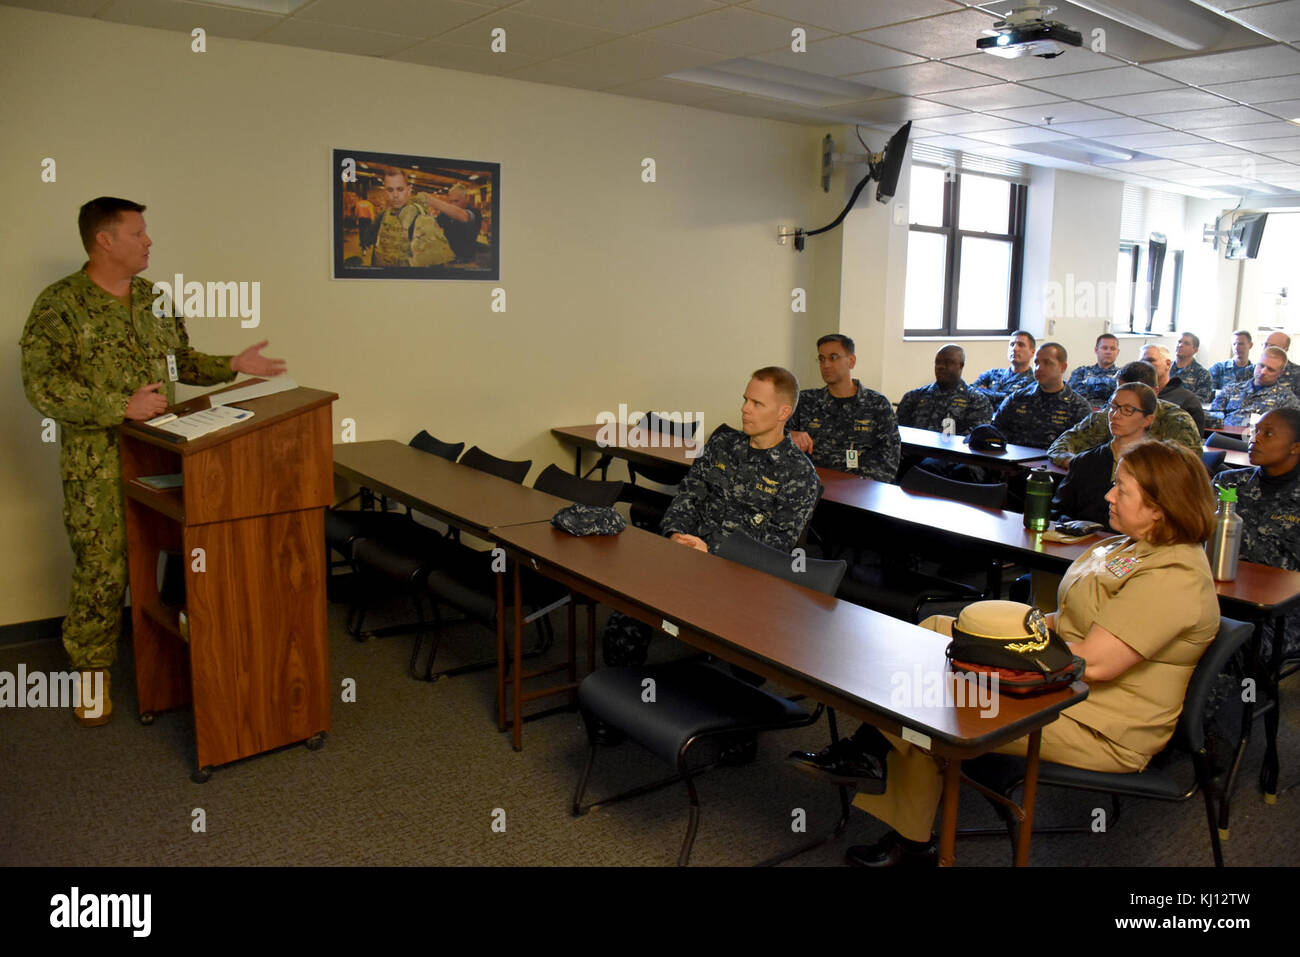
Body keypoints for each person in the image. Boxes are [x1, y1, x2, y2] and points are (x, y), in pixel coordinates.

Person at [790, 441, 1218, 866]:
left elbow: (1099, 662)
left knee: (936, 699)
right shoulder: (1126, 546)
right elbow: (1067, 618)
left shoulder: (1174, 575)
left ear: (1160, 507)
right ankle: (868, 749)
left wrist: (994, 655)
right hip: (1068, 688)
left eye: (1121, 489)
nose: (1108, 495)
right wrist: (983, 634)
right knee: (937, 631)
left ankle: (907, 830)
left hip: (1101, 721)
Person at [19, 197, 286, 726]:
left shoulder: (155, 299)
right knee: (103, 567)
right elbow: (43, 386)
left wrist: (231, 364)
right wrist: (121, 406)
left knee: (172, 552)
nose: (149, 242)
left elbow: (179, 361)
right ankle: (91, 672)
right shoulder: (59, 305)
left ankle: (178, 657)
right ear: (105, 240)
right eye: (139, 233)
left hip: (162, 451)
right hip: (96, 463)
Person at [661, 367, 819, 555]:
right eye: (746, 400)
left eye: (757, 403)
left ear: (783, 413)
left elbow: (775, 546)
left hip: (739, 572)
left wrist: (711, 550)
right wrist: (676, 534)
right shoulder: (721, 445)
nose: (745, 409)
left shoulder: (799, 473)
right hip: (688, 551)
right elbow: (688, 495)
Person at [1215, 408, 1300, 659]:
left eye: (1269, 434)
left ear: (1296, 447)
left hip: (1281, 614)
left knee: (1226, 647)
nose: (1255, 439)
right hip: (1220, 598)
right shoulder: (1228, 483)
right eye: (1255, 431)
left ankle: (1245, 695)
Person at [786, 334, 900, 482]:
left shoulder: (877, 405)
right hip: (810, 487)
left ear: (851, 361)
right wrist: (789, 435)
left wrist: (855, 485)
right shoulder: (805, 401)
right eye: (821, 359)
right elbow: (773, 439)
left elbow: (888, 460)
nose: (825, 365)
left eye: (833, 357)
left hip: (859, 491)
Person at [1047, 360, 1201, 467]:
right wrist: (1079, 465)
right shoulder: (1108, 416)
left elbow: (1188, 467)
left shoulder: (1177, 421)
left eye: (1129, 406)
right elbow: (1060, 446)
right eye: (1119, 392)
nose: (1118, 412)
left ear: (1154, 392)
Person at [1052, 383, 1157, 529]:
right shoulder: (1085, 461)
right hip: (1084, 544)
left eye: (1127, 410)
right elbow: (1058, 511)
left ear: (1147, 419)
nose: (1115, 415)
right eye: (1113, 407)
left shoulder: (1157, 466)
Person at [992, 342, 1092, 448]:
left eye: (1047, 363)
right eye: (1036, 362)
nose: (1039, 368)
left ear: (1063, 367)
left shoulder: (1078, 406)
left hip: (1051, 462)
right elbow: (996, 432)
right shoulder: (1017, 398)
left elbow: (1081, 448)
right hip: (1011, 461)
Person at [895, 344, 994, 436]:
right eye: (938, 362)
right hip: (913, 453)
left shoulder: (977, 401)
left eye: (948, 362)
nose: (940, 367)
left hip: (952, 454)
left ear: (961, 365)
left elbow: (972, 441)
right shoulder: (914, 396)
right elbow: (898, 432)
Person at [371, 168, 454, 267]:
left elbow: (435, 268)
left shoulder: (420, 219)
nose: (395, 195)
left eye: (400, 189)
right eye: (390, 190)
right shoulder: (384, 215)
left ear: (408, 190)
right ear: (385, 191)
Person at [1206, 346, 1300, 427]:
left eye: (1270, 369)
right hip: (1224, 438)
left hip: (1259, 443)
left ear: (1280, 373)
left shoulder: (1287, 399)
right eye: (1261, 366)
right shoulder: (1231, 389)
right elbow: (1212, 416)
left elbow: (1289, 430)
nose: (1263, 372)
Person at [1141, 343, 1204, 431]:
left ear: (1168, 364)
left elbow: (1192, 440)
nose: (1145, 366)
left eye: (1150, 361)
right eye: (1141, 362)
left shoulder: (1186, 400)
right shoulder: (1136, 396)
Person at [972, 330, 1035, 406]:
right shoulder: (993, 373)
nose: (1015, 349)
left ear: (1032, 352)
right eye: (1012, 344)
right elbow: (970, 390)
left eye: (1021, 345)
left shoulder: (1033, 382)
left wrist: (985, 392)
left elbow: (1014, 403)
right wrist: (1003, 396)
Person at [424, 185, 483, 264]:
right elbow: (432, 224)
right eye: (450, 201)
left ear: (466, 198)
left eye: (456, 201)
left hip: (466, 263)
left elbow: (462, 216)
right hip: (448, 259)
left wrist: (432, 201)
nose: (453, 205)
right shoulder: (445, 215)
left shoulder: (474, 213)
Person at [1067, 333, 1121, 403]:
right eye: (1104, 348)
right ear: (1096, 350)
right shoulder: (1081, 372)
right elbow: (1075, 395)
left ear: (1117, 352)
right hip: (1084, 411)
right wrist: (1110, 386)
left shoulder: (1123, 374)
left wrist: (1089, 383)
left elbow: (1121, 396)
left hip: (1112, 412)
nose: (1108, 352)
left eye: (1112, 349)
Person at [1174, 331, 1214, 403]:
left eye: (1186, 343)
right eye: (1179, 342)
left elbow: (1201, 400)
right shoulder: (1165, 368)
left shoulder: (1203, 374)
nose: (1180, 345)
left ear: (1195, 350)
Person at [1264, 331, 1300, 398]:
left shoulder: (1297, 374)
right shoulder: (1251, 371)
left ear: (1285, 349)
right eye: (1265, 344)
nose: (1267, 348)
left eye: (1273, 346)